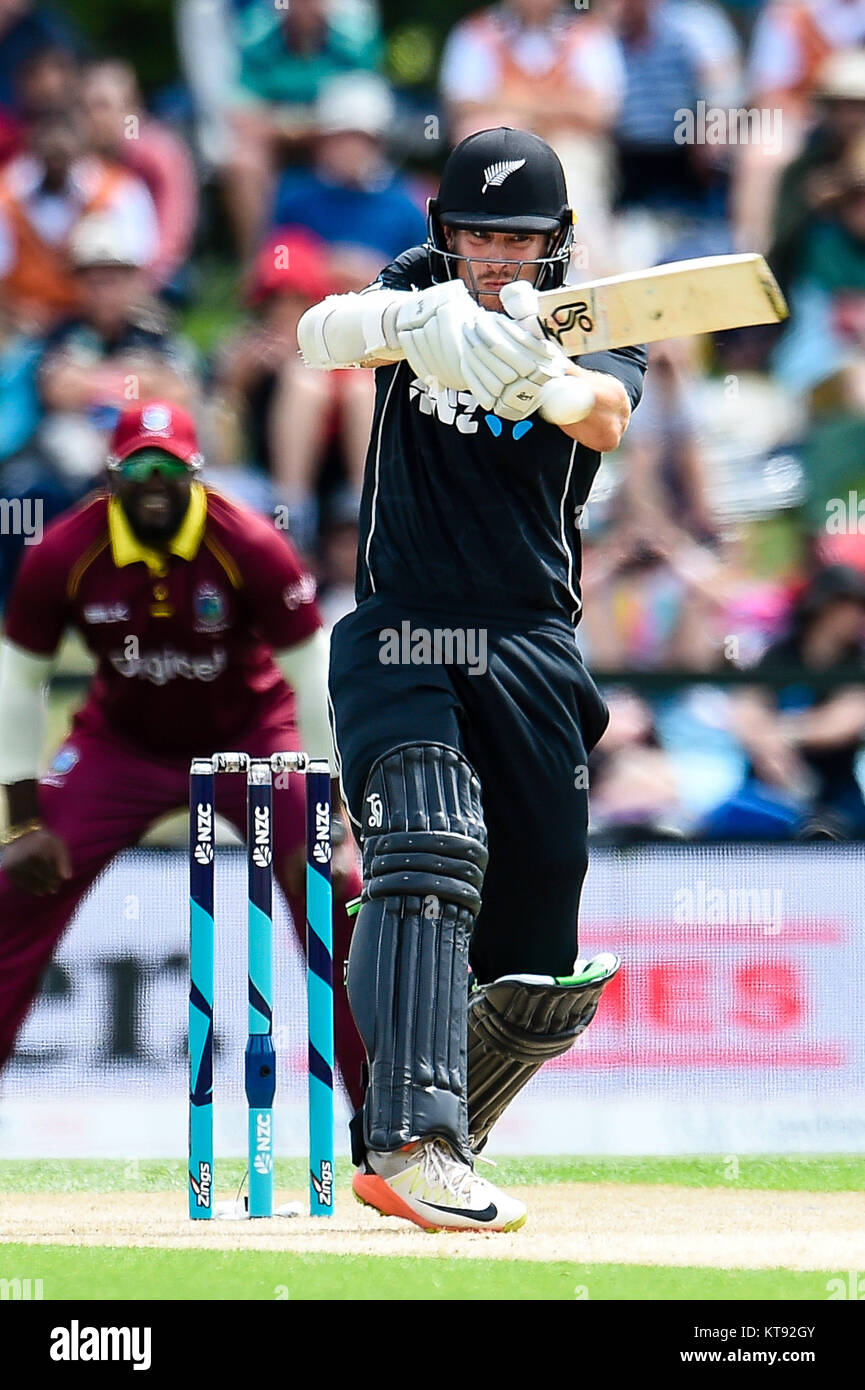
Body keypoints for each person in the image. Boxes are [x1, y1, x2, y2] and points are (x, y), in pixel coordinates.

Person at [298, 126, 645, 1230]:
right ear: (445, 234)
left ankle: (430, 1129)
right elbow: (319, 333)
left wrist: (535, 374)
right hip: (405, 627)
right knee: (431, 841)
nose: (494, 256)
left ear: (558, 242)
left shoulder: (603, 319)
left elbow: (608, 415)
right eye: (475, 236)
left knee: (542, 980)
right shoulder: (417, 285)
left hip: (532, 642)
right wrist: (420, 324)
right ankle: (411, 1142)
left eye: (518, 238)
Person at [0, 400, 365, 1113]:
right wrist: (21, 817)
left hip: (255, 737)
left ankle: (390, 1127)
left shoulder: (250, 542)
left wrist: (326, 810)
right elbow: (18, 676)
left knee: (335, 886)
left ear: (197, 474)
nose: (155, 482)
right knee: (17, 888)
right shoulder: (65, 551)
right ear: (112, 477)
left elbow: (310, 672)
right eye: (138, 467)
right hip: (121, 746)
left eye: (172, 468)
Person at [702, 564, 865, 840]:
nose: (856, 618)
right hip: (767, 788)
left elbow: (843, 722)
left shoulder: (856, 664)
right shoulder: (776, 656)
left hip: (834, 792)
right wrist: (772, 752)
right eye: (849, 606)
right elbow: (746, 711)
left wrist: (783, 735)